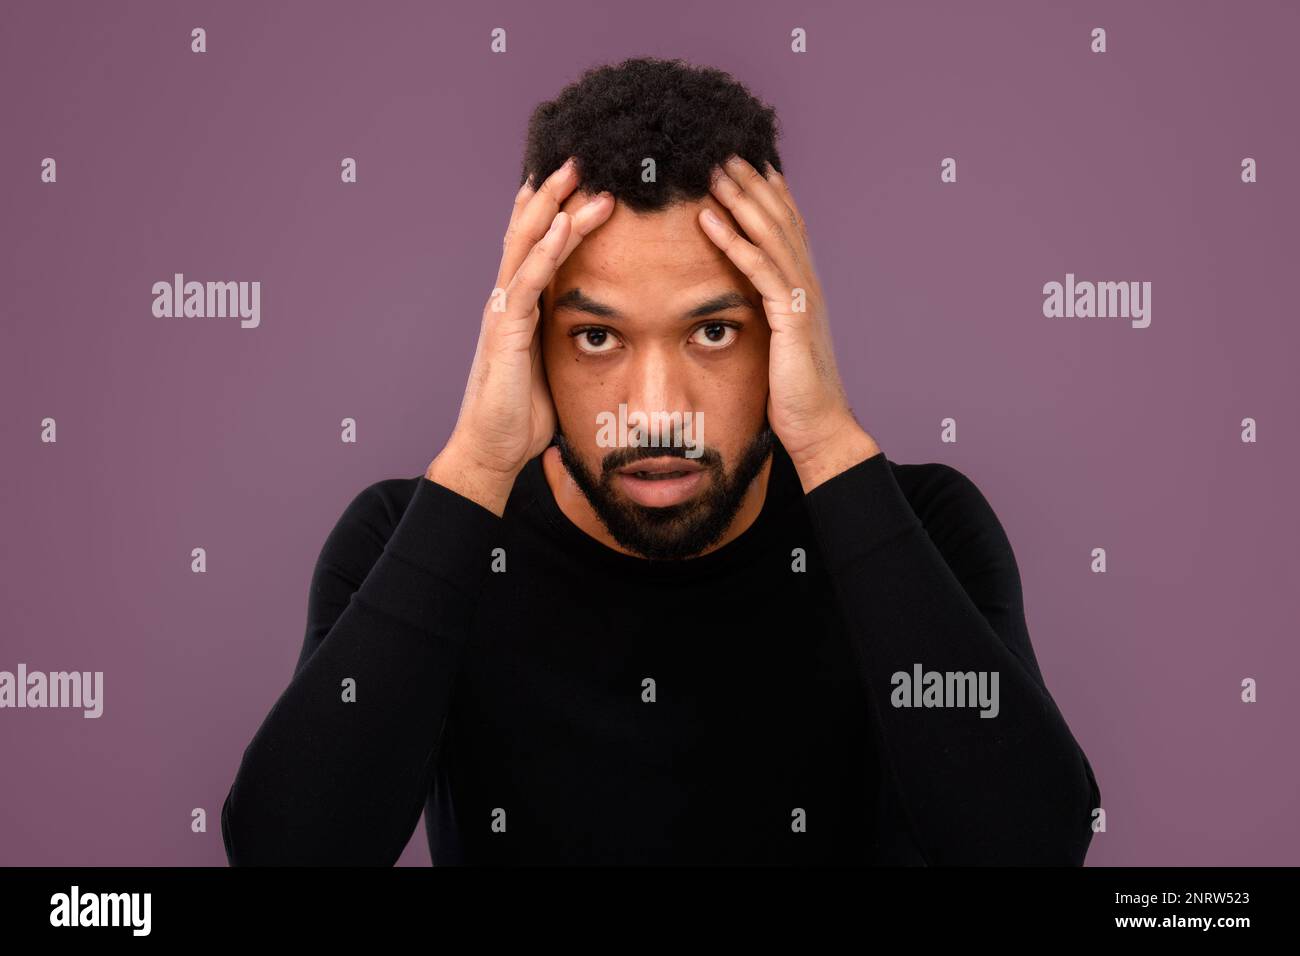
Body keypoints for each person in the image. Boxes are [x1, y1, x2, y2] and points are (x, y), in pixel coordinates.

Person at [221, 56, 1100, 866]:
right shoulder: (408, 537)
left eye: (713, 332)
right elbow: (286, 854)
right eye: (596, 337)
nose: (658, 415)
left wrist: (829, 440)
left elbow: (1030, 848)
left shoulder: (927, 528)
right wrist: (478, 468)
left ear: (784, 331)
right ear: (529, 343)